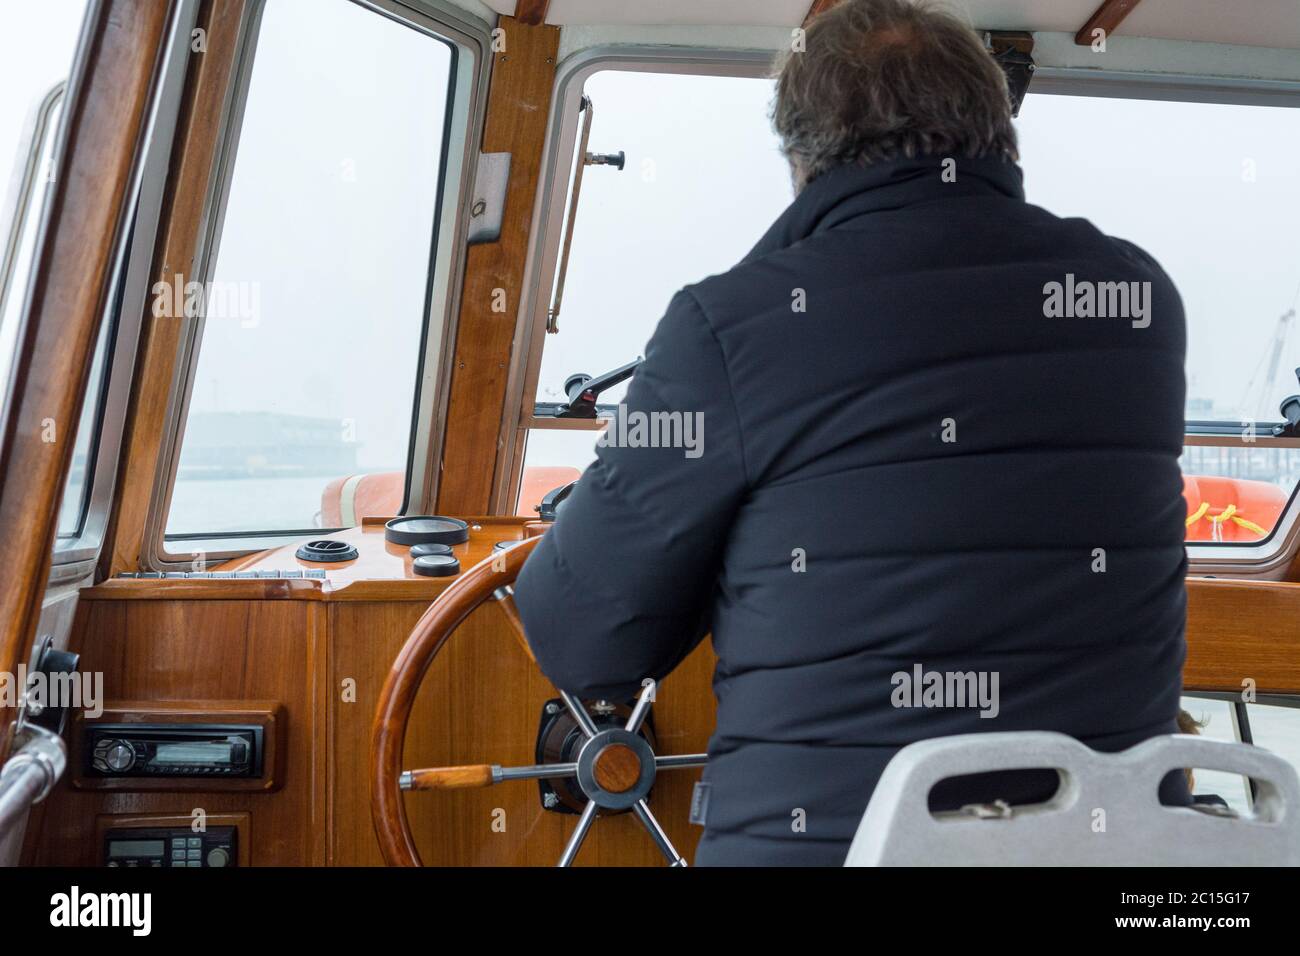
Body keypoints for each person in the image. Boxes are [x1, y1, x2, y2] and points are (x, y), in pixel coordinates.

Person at [513, 0, 1188, 865]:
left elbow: (582, 639)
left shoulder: (732, 324)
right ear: (1000, 135)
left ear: (803, 157)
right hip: (1121, 852)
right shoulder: (1138, 300)